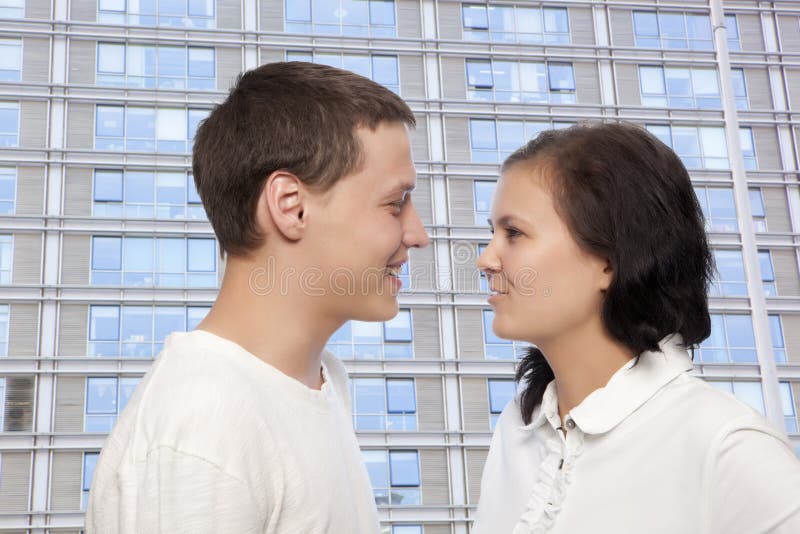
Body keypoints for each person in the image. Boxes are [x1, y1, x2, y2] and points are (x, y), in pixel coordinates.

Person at [85, 61, 430, 533]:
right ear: (291, 206)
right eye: (395, 203)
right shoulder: (202, 432)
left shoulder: (322, 381)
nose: (418, 234)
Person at [472, 122, 800, 534]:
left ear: (608, 261)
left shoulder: (727, 447)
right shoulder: (516, 428)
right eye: (493, 233)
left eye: (514, 233)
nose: (485, 260)